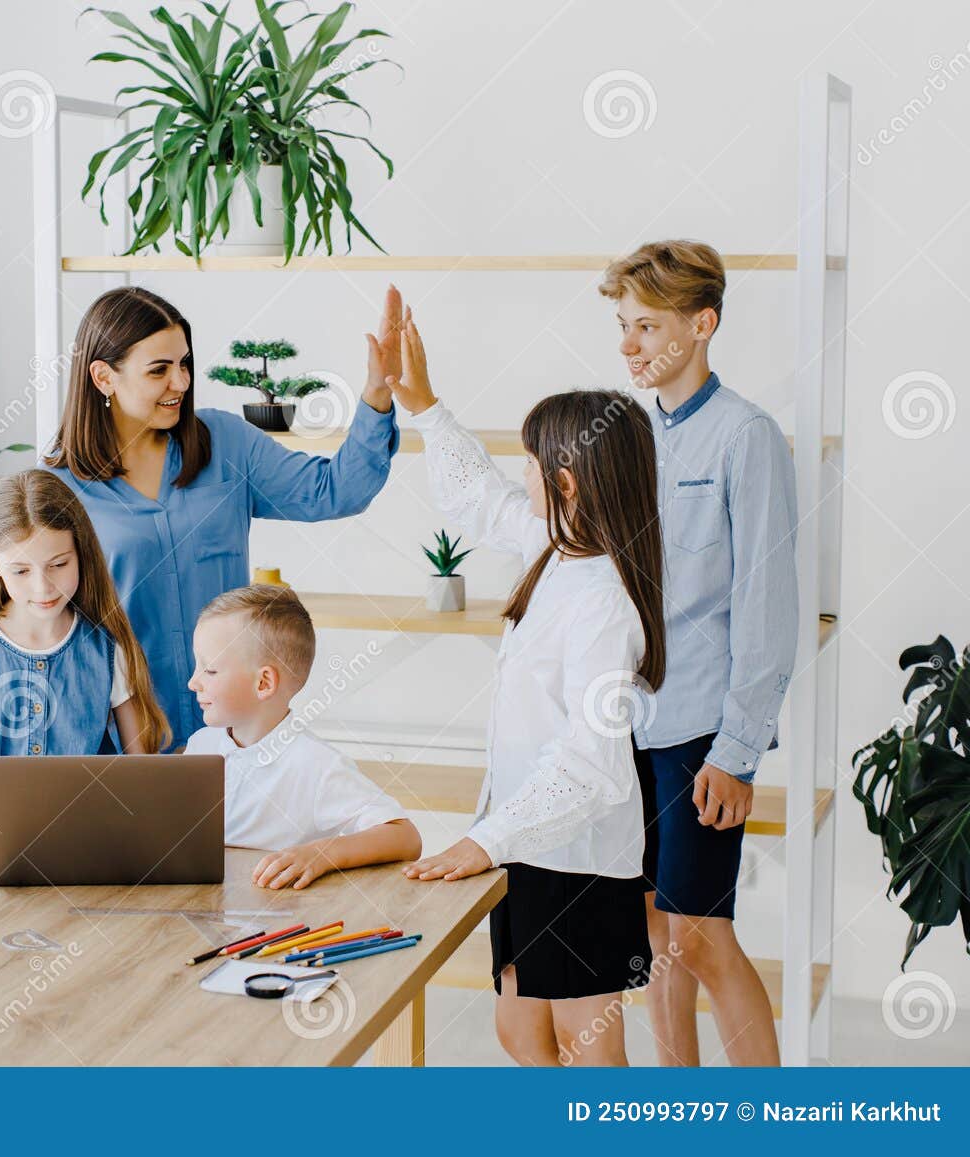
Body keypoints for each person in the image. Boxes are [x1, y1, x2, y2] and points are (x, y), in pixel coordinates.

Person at [392, 309, 668, 1067]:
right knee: (520, 1032)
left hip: (574, 858)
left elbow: (591, 762)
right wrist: (424, 405)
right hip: (529, 846)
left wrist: (484, 841)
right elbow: (477, 497)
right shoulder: (557, 546)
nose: (521, 473)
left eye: (531, 461)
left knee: (591, 1052)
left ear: (567, 481)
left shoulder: (603, 603)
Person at [45, 285, 406, 749]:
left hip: (234, 728)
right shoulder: (57, 487)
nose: (180, 382)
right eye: (159, 370)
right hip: (124, 738)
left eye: (184, 364)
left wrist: (378, 392)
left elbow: (334, 491)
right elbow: (43, 624)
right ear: (103, 377)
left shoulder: (227, 444)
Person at [601, 239, 796, 1067]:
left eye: (646, 326)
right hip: (625, 728)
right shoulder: (623, 435)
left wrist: (739, 751)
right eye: (623, 326)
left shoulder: (747, 437)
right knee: (654, 928)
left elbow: (767, 603)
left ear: (702, 323)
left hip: (701, 734)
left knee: (705, 934)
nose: (629, 345)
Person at [0, 470, 170, 846]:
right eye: (21, 570)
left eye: (59, 565)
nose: (43, 587)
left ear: (81, 553)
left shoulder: (109, 651)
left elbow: (140, 771)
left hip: (85, 854)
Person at [183, 584, 421, 889]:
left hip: (277, 921)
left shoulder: (316, 765)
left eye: (210, 671)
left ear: (264, 682)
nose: (193, 682)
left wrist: (321, 854)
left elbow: (405, 837)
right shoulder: (200, 744)